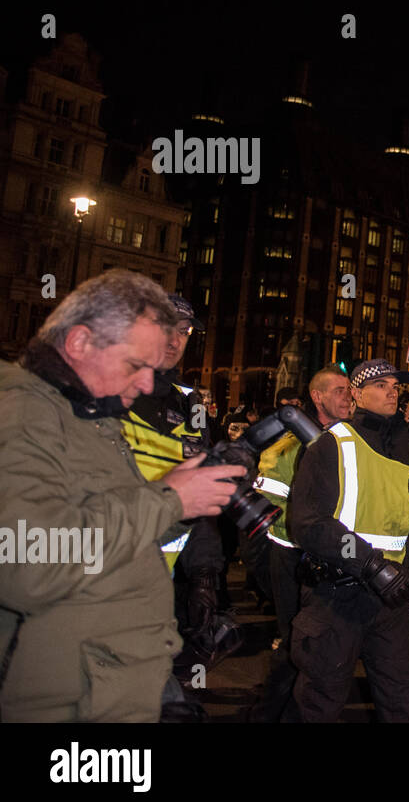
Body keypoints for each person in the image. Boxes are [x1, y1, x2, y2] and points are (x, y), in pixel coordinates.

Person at [0, 270, 244, 721]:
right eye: (137, 366)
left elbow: (100, 532)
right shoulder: (22, 414)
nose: (149, 386)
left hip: (111, 678)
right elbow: (31, 562)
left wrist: (184, 509)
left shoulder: (90, 416)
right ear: (79, 343)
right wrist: (169, 500)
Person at [289, 358, 409, 722]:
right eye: (381, 385)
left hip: (390, 601)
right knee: (321, 701)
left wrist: (403, 572)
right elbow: (306, 523)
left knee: (404, 699)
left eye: (396, 386)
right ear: (356, 393)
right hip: (337, 596)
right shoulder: (331, 445)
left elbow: (404, 522)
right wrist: (371, 564)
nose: (392, 392)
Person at [117, 294, 241, 672]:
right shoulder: (99, 393)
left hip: (165, 587)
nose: (176, 339)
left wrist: (205, 575)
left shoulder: (191, 406)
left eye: (185, 331)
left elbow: (199, 495)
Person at [248, 366, 352, 722]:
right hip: (293, 557)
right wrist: (306, 530)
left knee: (317, 644)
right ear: (317, 397)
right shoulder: (288, 445)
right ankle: (270, 714)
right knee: (297, 642)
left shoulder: (350, 441)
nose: (348, 396)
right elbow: (267, 501)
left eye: (351, 389)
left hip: (334, 558)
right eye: (339, 390)